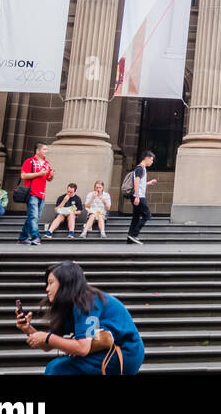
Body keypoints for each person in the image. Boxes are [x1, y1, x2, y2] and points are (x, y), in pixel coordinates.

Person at [17, 261, 145, 375]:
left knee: (57, 368)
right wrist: (28, 329)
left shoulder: (87, 301)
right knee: (59, 367)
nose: (47, 289)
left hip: (125, 352)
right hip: (104, 349)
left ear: (65, 284)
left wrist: (47, 337)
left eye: (51, 283)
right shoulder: (69, 305)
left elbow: (82, 348)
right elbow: (47, 345)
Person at [18, 143, 55, 245]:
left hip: (41, 194)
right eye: (44, 149)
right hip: (32, 193)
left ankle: (22, 237)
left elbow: (48, 179)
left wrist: (51, 176)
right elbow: (23, 176)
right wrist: (39, 174)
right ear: (37, 151)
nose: (46, 151)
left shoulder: (46, 163)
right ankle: (36, 237)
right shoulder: (29, 161)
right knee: (33, 217)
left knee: (34, 217)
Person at [127, 151, 157, 245]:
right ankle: (134, 234)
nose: (152, 162)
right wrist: (137, 197)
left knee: (136, 217)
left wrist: (149, 183)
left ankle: (130, 237)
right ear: (147, 158)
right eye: (151, 160)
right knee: (147, 215)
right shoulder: (140, 168)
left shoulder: (141, 169)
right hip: (139, 196)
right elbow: (136, 182)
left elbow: (140, 183)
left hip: (137, 195)